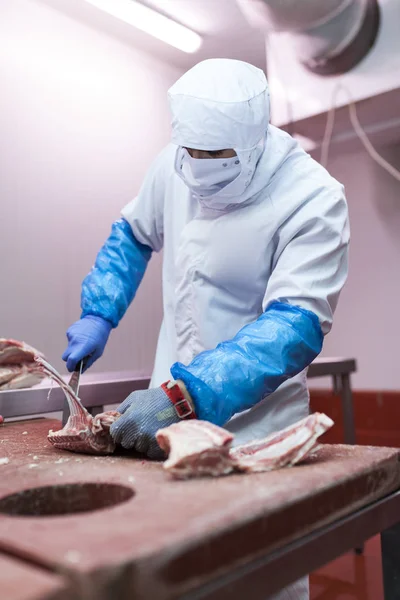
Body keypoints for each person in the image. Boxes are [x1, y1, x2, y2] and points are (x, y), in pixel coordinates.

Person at [62, 58, 349, 600]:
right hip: (165, 423)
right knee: (174, 574)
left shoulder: (313, 197)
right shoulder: (173, 162)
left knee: (261, 578)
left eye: (216, 158)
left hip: (258, 430)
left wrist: (186, 394)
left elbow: (294, 326)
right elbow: (132, 234)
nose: (196, 169)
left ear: (255, 141)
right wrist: (99, 310)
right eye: (189, 154)